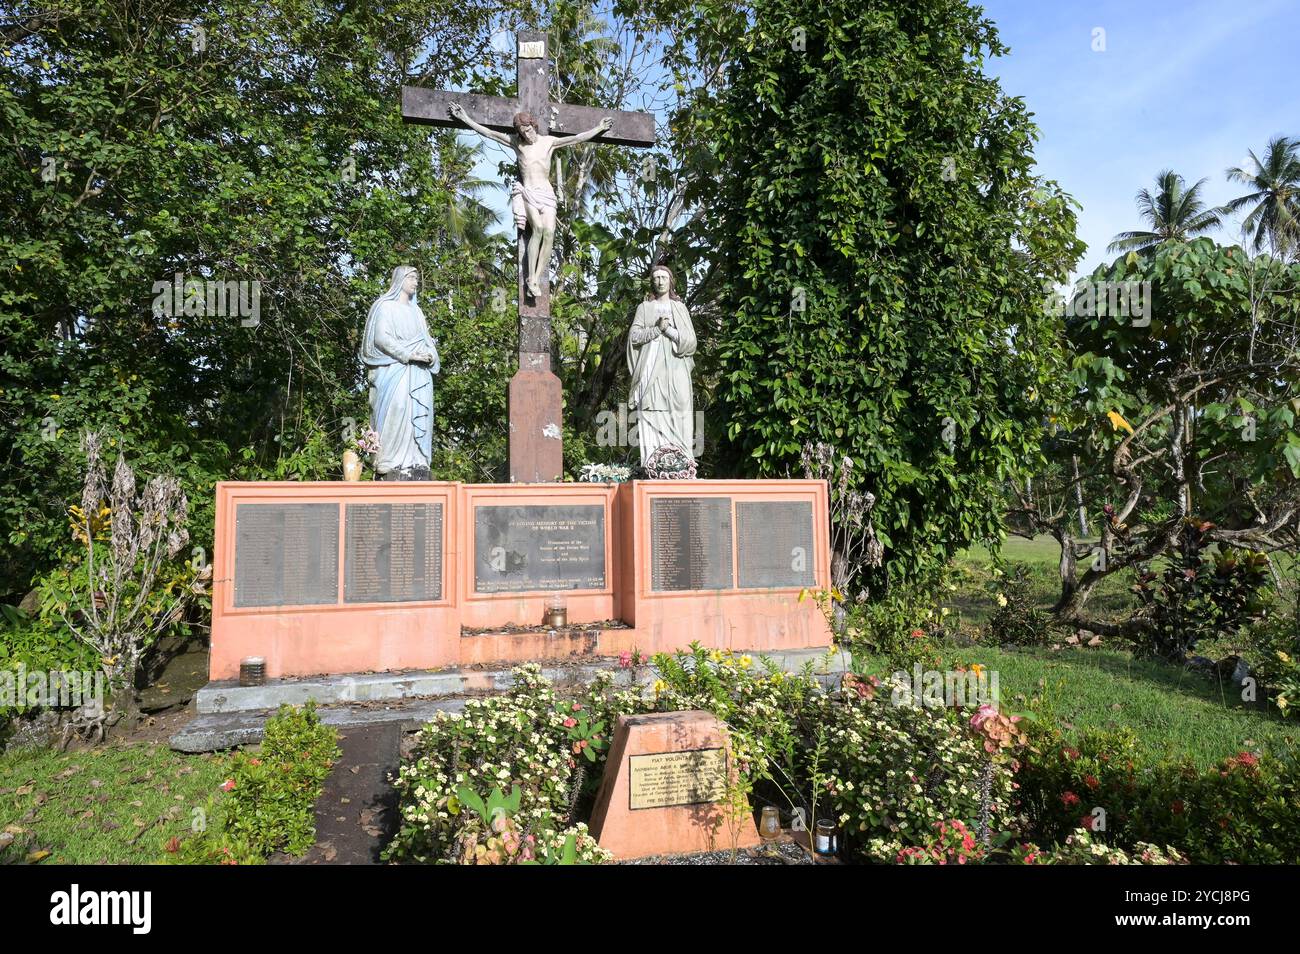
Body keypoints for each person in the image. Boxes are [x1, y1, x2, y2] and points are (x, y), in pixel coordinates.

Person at [448, 102, 612, 298]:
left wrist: (599, 128)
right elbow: (490, 133)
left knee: (550, 234)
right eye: (522, 131)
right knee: (539, 230)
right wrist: (465, 118)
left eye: (528, 129)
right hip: (529, 193)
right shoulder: (517, 144)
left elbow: (576, 138)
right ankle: (531, 278)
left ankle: (536, 277)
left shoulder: (548, 142)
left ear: (533, 126)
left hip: (547, 194)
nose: (527, 134)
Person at [359, 265, 439, 480]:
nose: (416, 282)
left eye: (417, 278)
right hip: (395, 370)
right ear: (400, 280)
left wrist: (430, 354)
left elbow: (426, 340)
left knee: (419, 414)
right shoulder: (385, 307)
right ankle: (390, 460)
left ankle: (416, 460)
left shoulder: (417, 311)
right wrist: (408, 354)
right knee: (398, 407)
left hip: (419, 373)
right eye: (411, 278)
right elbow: (381, 339)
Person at [626, 264, 697, 464]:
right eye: (656, 278)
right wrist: (657, 329)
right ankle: (655, 462)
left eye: (664, 278)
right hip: (651, 369)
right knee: (652, 408)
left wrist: (670, 332)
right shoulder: (644, 308)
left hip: (676, 369)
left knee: (681, 406)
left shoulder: (680, 308)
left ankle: (682, 461)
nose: (660, 281)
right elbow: (634, 337)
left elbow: (691, 341)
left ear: (671, 281)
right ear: (652, 282)